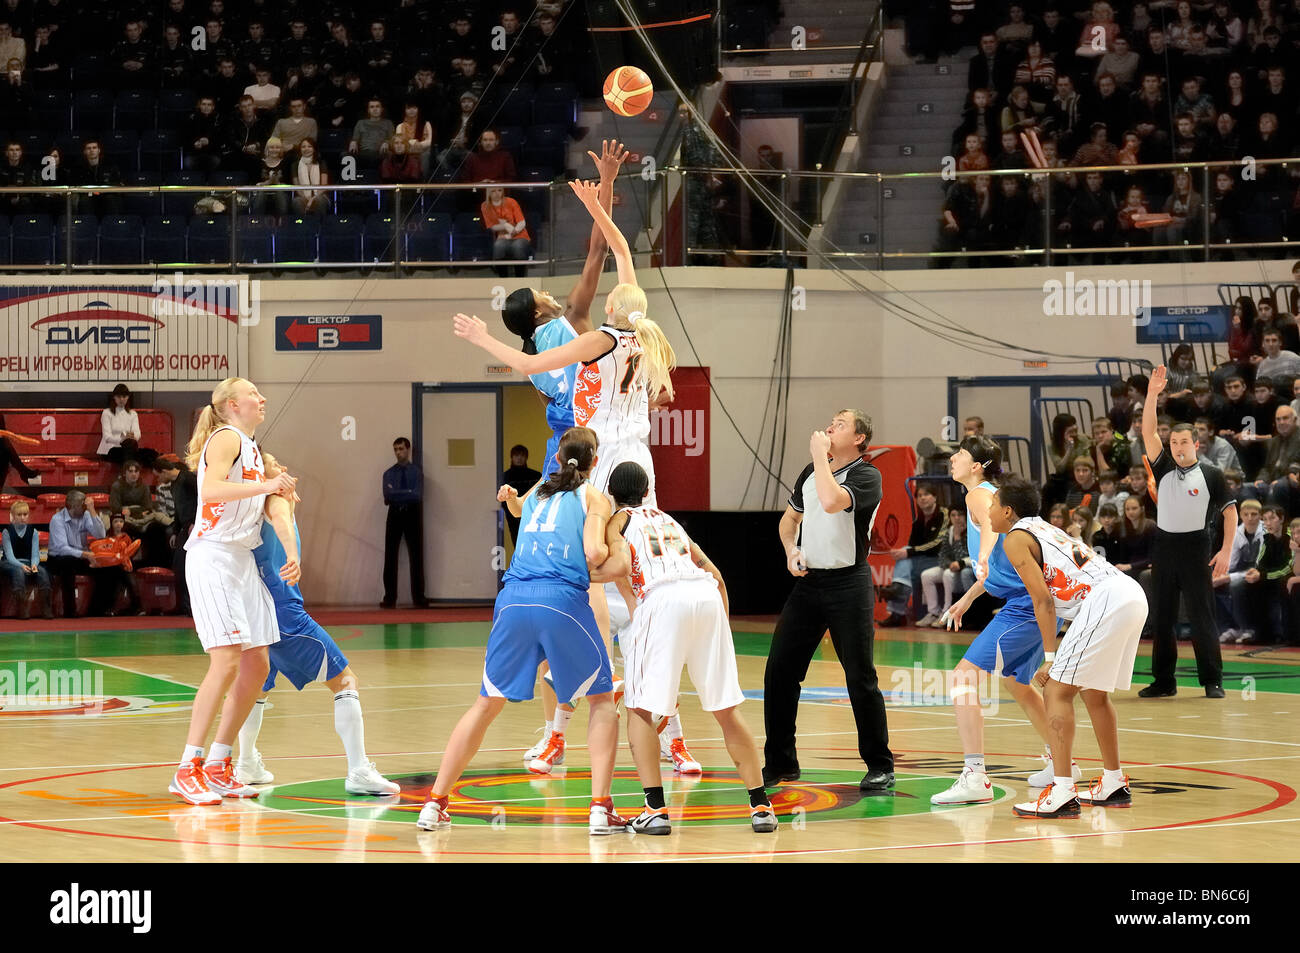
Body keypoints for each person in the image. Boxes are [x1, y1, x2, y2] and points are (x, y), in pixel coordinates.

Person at [416, 427, 630, 835]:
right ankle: (601, 809)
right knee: (603, 701)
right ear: (595, 462)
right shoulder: (595, 497)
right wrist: (616, 540)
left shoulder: (539, 492)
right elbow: (594, 553)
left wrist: (512, 499)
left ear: (555, 460)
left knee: (485, 704)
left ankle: (435, 803)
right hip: (560, 601)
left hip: (513, 599)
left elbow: (518, 513)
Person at [602, 462, 777, 835]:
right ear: (647, 489)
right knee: (727, 712)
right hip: (706, 597)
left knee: (639, 710)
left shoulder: (616, 521)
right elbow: (715, 573)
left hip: (664, 599)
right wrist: (721, 630)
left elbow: (619, 571)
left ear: (612, 494)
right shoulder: (670, 521)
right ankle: (761, 805)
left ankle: (655, 809)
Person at [235, 453, 400, 795]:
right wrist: (293, 554)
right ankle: (358, 770)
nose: (283, 467)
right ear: (260, 475)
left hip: (258, 612)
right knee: (346, 681)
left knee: (258, 688)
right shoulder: (273, 499)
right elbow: (280, 518)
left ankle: (246, 763)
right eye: (274, 464)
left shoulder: (246, 506)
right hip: (285, 614)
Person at [169, 377, 297, 806]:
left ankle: (222, 761)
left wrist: (291, 546)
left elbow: (275, 507)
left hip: (241, 559)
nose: (263, 399)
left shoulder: (255, 450)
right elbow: (210, 491)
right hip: (213, 556)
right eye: (253, 395)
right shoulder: (226, 437)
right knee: (225, 661)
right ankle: (188, 767)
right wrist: (267, 486)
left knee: (257, 662)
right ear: (229, 405)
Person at [992, 476, 1149, 818]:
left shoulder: (1015, 539)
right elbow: (1064, 595)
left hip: (1105, 599)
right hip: (1129, 592)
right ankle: (1113, 781)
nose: (988, 512)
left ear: (1007, 510)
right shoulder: (1043, 528)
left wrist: (1050, 658)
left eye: (993, 505)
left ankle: (1063, 790)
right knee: (1094, 693)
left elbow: (1043, 600)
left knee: (1057, 692)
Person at [932, 438, 1072, 805]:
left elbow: (993, 540)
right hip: (1029, 599)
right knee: (1016, 683)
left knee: (962, 678)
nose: (953, 460)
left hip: (1026, 605)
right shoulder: (992, 494)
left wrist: (979, 555)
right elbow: (997, 565)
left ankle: (975, 775)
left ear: (977, 465)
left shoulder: (979, 494)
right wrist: (967, 597)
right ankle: (1062, 764)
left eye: (960, 454)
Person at [761, 410, 895, 791]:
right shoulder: (810, 470)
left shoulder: (867, 476)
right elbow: (789, 520)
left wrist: (821, 456)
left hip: (848, 584)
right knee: (780, 672)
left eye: (841, 422)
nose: (830, 425)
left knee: (860, 676)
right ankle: (782, 763)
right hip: (809, 584)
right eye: (831, 421)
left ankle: (880, 765)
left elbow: (832, 501)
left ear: (859, 437)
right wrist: (791, 550)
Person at [1139, 366, 1239, 699]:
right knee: (1163, 617)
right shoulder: (1163, 466)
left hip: (1197, 548)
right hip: (1165, 547)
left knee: (1202, 616)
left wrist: (1225, 551)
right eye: (1174, 441)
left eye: (1184, 441)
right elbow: (1148, 432)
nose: (1179, 445)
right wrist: (1152, 394)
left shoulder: (1211, 474)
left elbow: (1230, 513)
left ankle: (1212, 679)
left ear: (1196, 443)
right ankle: (1164, 681)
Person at [46, 490, 131, 617]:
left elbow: (100, 534)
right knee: (68, 563)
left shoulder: (86, 515)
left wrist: (92, 511)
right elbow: (62, 548)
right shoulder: (57, 519)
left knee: (112, 568)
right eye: (83, 505)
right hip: (58, 558)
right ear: (72, 506)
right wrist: (86, 554)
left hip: (81, 556)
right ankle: (70, 611)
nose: (85, 507)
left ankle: (98, 609)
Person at [880, 483, 948, 627]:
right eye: (919, 496)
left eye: (926, 494)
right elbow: (912, 546)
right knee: (905, 559)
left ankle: (897, 613)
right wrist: (905, 552)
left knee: (905, 562)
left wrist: (908, 552)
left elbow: (937, 543)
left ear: (935, 497)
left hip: (941, 559)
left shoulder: (944, 514)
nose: (922, 498)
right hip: (922, 561)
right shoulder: (918, 521)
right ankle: (898, 591)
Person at [381, 437, 428, 609]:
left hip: (412, 514)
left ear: (408, 450)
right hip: (394, 514)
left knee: (416, 555)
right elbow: (388, 496)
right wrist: (405, 493)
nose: (398, 452)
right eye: (396, 449)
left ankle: (419, 597)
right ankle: (389, 598)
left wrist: (398, 493)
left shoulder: (416, 472)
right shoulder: (388, 473)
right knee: (390, 556)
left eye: (401, 448)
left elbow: (417, 495)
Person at [919, 505, 973, 628]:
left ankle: (946, 612)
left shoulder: (970, 531)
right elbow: (942, 555)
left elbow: (967, 556)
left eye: (960, 515)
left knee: (947, 574)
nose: (957, 518)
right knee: (926, 575)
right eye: (953, 515)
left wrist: (958, 537)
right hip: (951, 567)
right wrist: (949, 564)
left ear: (965, 516)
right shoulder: (949, 531)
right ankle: (933, 612)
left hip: (965, 568)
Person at [108, 458, 169, 568]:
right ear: (124, 473)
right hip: (125, 519)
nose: (133, 474)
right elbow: (115, 508)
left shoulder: (144, 487)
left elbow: (148, 507)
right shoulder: (117, 486)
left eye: (136, 471)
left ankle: (155, 563)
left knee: (156, 528)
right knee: (122, 528)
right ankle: (125, 564)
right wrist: (137, 510)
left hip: (142, 518)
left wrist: (131, 510)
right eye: (130, 471)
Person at [3, 499, 52, 619]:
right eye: (19, 515)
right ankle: (22, 607)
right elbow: (9, 556)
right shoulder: (7, 532)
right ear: (13, 516)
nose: (22, 517)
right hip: (9, 562)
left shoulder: (33, 531)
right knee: (18, 571)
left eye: (25, 514)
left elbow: (35, 554)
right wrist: (21, 566)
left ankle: (46, 607)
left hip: (29, 561)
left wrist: (34, 564)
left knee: (42, 571)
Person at [480, 183, 531, 278]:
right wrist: (505, 225)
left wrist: (511, 233)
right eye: (493, 191)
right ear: (489, 193)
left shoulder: (511, 202)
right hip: (502, 237)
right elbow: (492, 226)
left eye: (499, 190)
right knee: (498, 246)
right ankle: (503, 279)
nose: (497, 193)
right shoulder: (485, 206)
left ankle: (519, 279)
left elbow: (521, 223)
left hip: (520, 235)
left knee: (518, 246)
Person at [99, 383, 156, 466]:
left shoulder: (133, 414)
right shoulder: (107, 413)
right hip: (110, 450)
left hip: (128, 448)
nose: (121, 399)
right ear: (114, 397)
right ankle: (130, 474)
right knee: (138, 454)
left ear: (128, 397)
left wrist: (129, 437)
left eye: (124, 396)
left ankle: (127, 474)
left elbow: (137, 434)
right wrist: (123, 439)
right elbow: (107, 437)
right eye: (119, 397)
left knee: (150, 453)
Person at [500, 444, 540, 544]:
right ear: (512, 457)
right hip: (512, 516)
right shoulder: (505, 476)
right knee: (517, 542)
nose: (519, 458)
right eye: (516, 455)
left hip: (532, 515)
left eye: (522, 455)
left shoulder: (536, 475)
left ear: (526, 457)